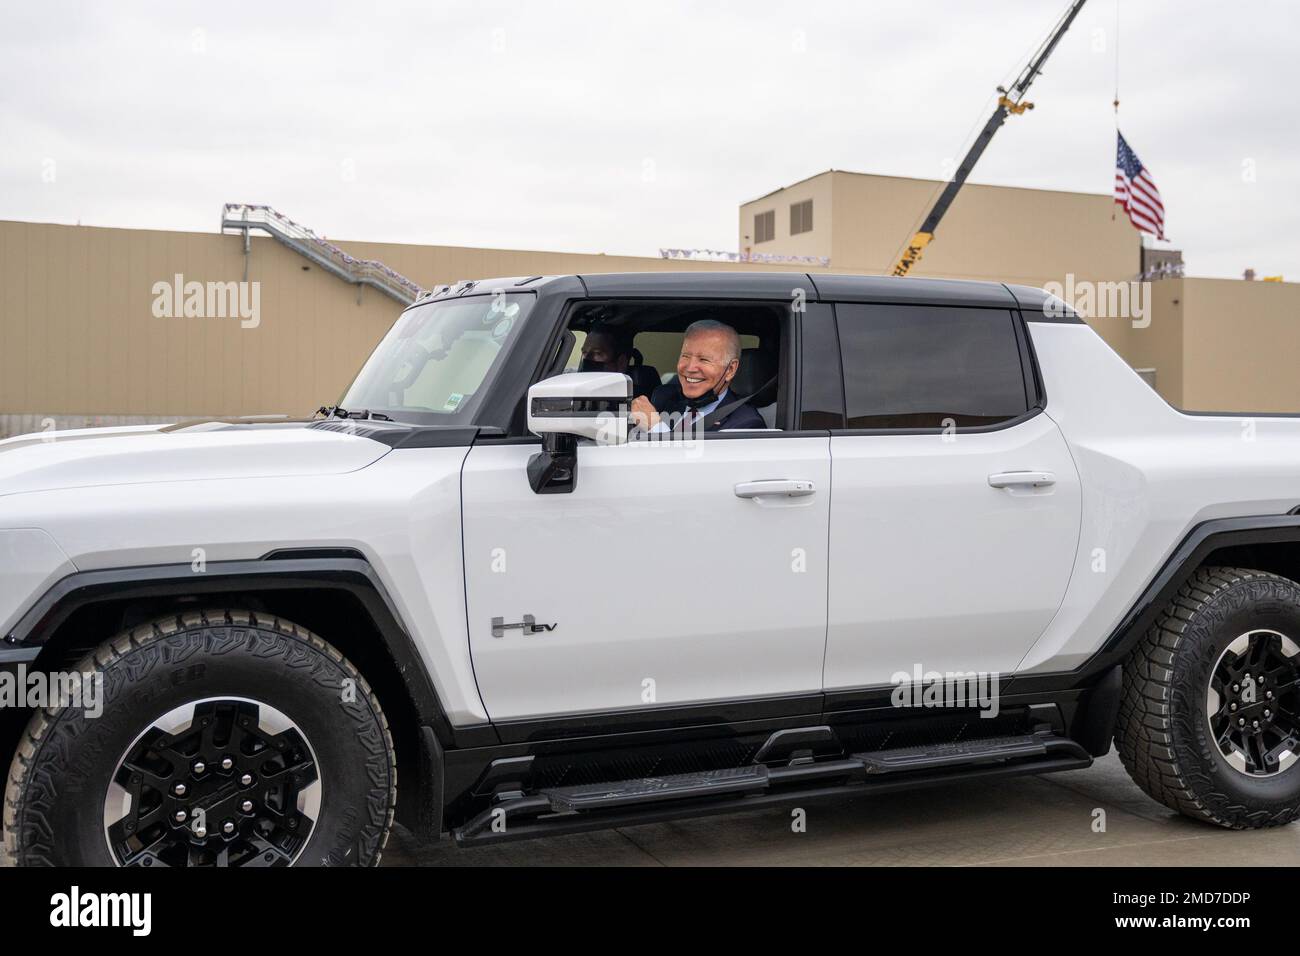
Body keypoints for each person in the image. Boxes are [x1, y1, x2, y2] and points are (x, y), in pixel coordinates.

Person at [631, 319, 765, 434]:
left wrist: (655, 427)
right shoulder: (665, 400)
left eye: (704, 359)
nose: (690, 368)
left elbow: (697, 464)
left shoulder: (746, 424)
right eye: (685, 356)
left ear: (730, 369)